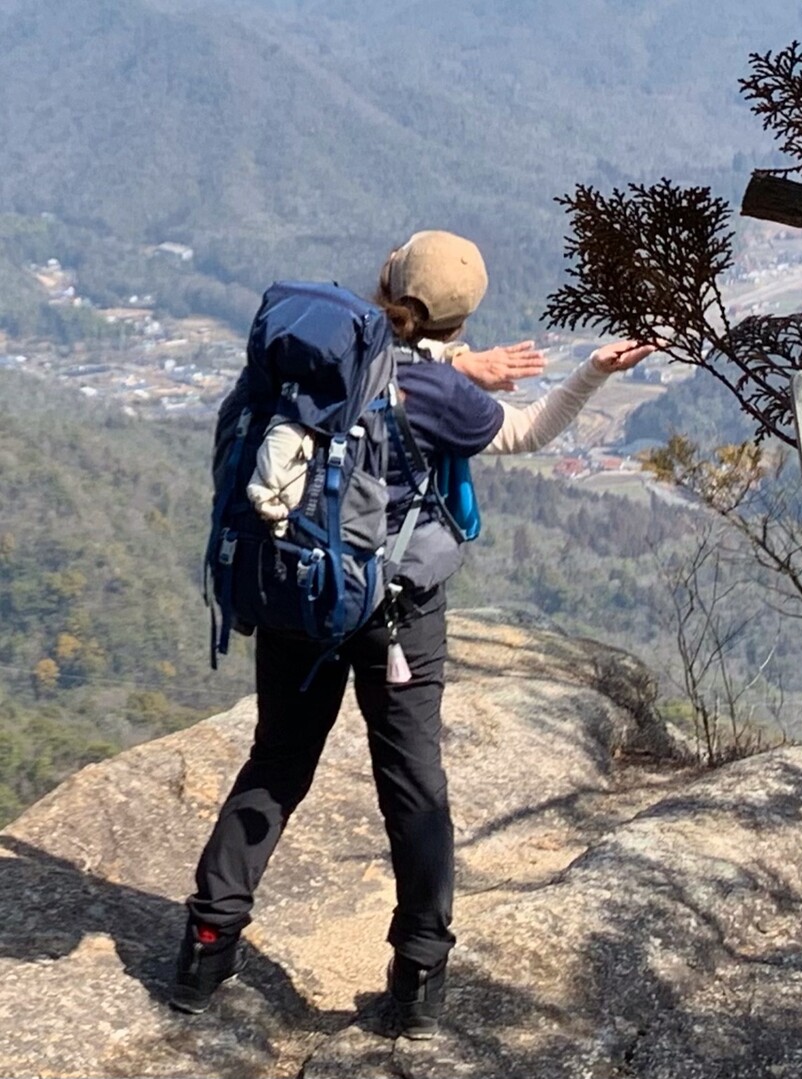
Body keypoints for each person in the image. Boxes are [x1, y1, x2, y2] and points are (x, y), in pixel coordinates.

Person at [170, 230, 655, 1038]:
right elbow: (529, 431)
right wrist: (594, 371)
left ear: (387, 283)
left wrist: (457, 365)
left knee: (278, 762)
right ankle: (419, 973)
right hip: (395, 613)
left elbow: (381, 371)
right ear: (460, 319)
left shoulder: (315, 357)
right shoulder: (441, 393)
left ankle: (207, 945)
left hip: (299, 593)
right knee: (412, 783)